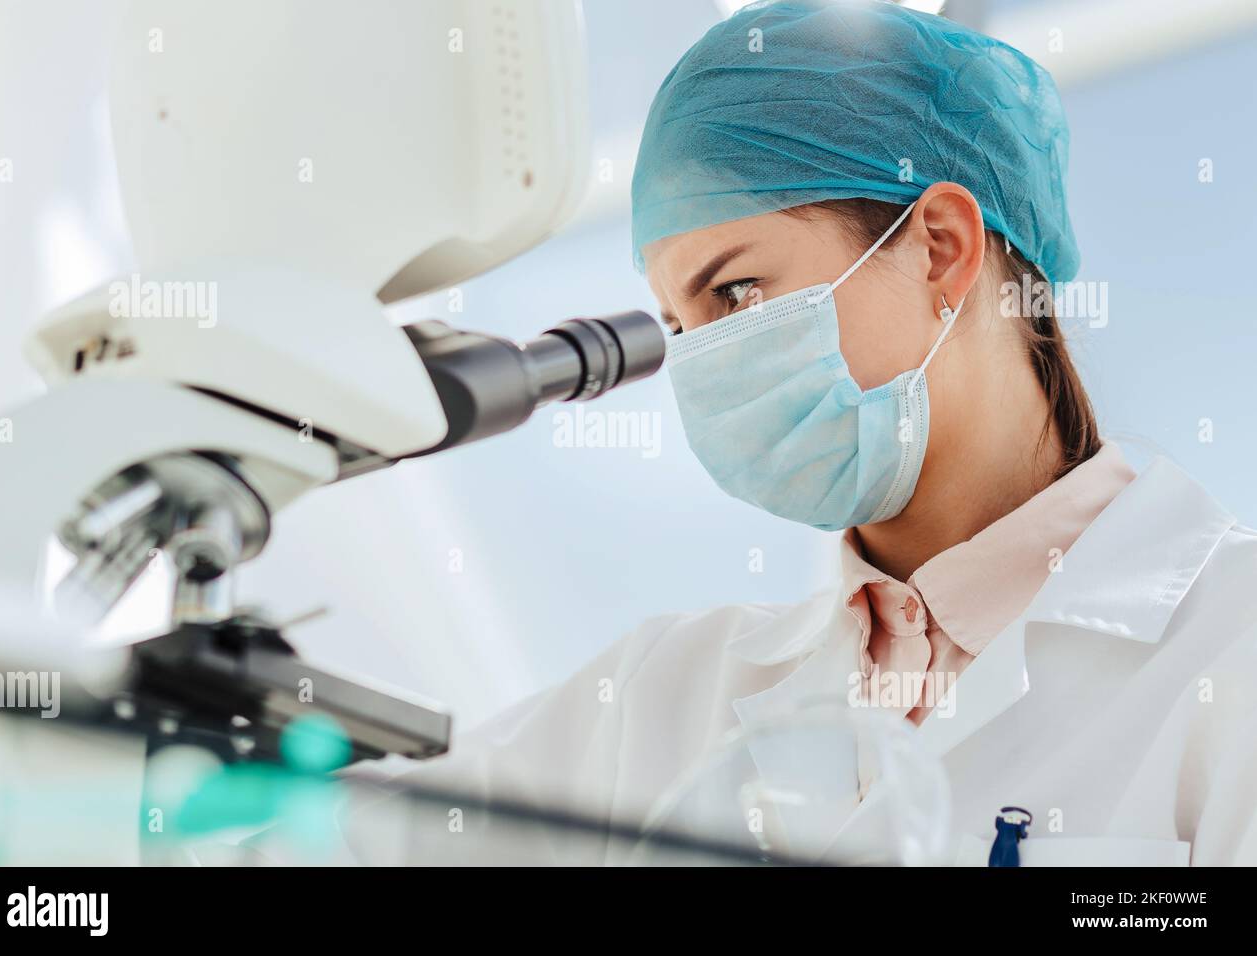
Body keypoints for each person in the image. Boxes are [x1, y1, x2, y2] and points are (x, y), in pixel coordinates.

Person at [347, 0, 1257, 865]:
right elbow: (324, 839)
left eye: (735, 293)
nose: (706, 362)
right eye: (678, 326)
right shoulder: (663, 697)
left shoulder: (1230, 647)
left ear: (941, 245)